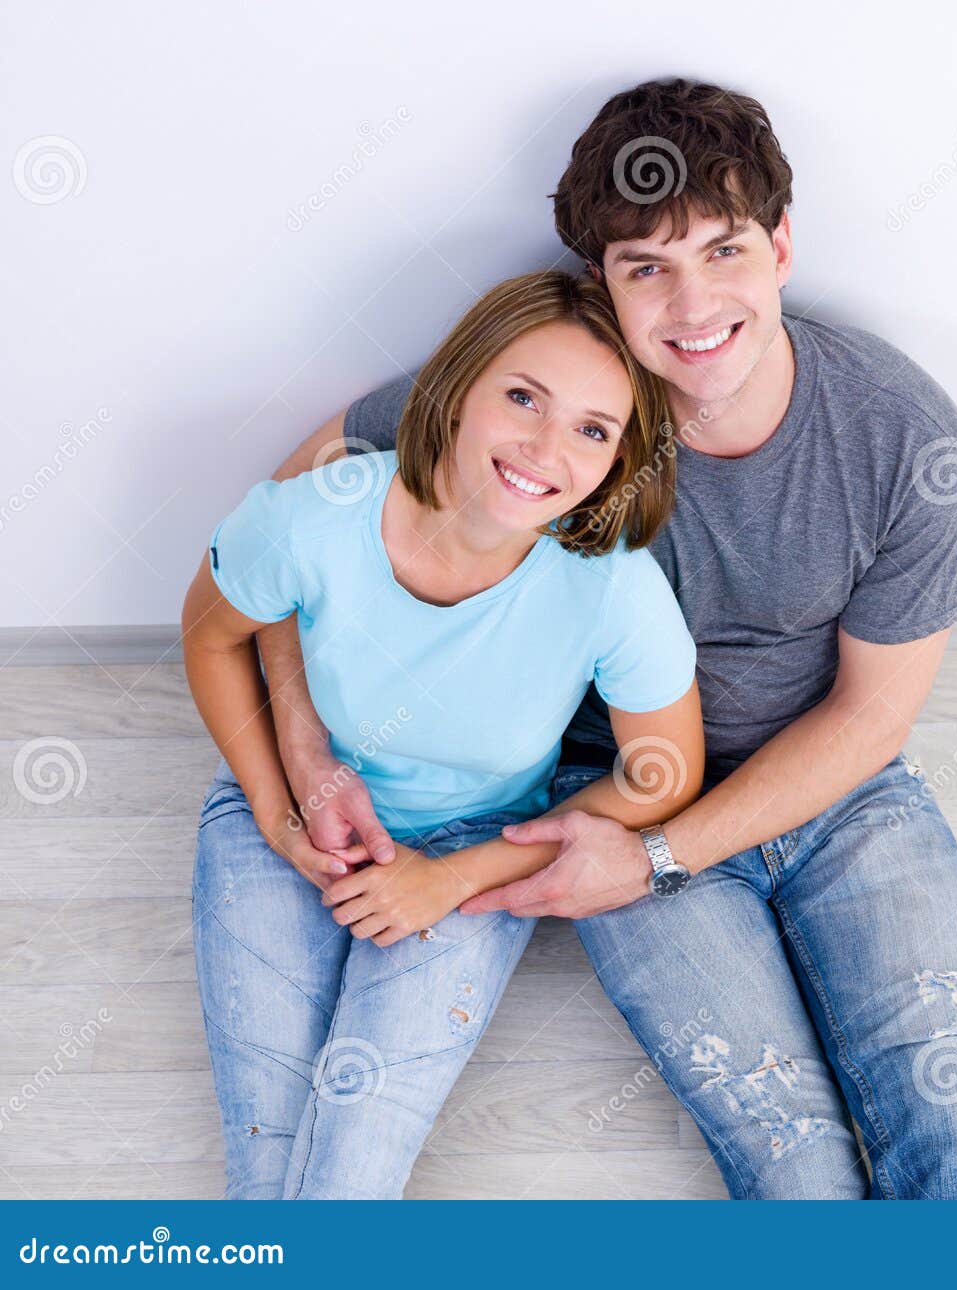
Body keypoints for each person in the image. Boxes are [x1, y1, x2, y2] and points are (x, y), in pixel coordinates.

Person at [262, 78, 957, 1199]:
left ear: (781, 249)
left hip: (832, 791)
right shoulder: (547, 402)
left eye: (724, 251)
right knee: (792, 1158)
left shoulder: (902, 432)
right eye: (645, 268)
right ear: (601, 288)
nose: (693, 302)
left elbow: (871, 716)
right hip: (607, 796)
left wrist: (667, 854)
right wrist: (306, 749)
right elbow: (290, 512)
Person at [182, 270, 702, 1199]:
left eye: (592, 429)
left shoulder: (614, 586)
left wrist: (454, 877)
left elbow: (664, 775)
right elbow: (210, 633)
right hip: (290, 810)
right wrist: (279, 805)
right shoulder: (313, 515)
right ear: (458, 389)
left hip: (475, 841)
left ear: (619, 462)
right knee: (264, 1164)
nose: (546, 448)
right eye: (522, 398)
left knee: (353, 1169)